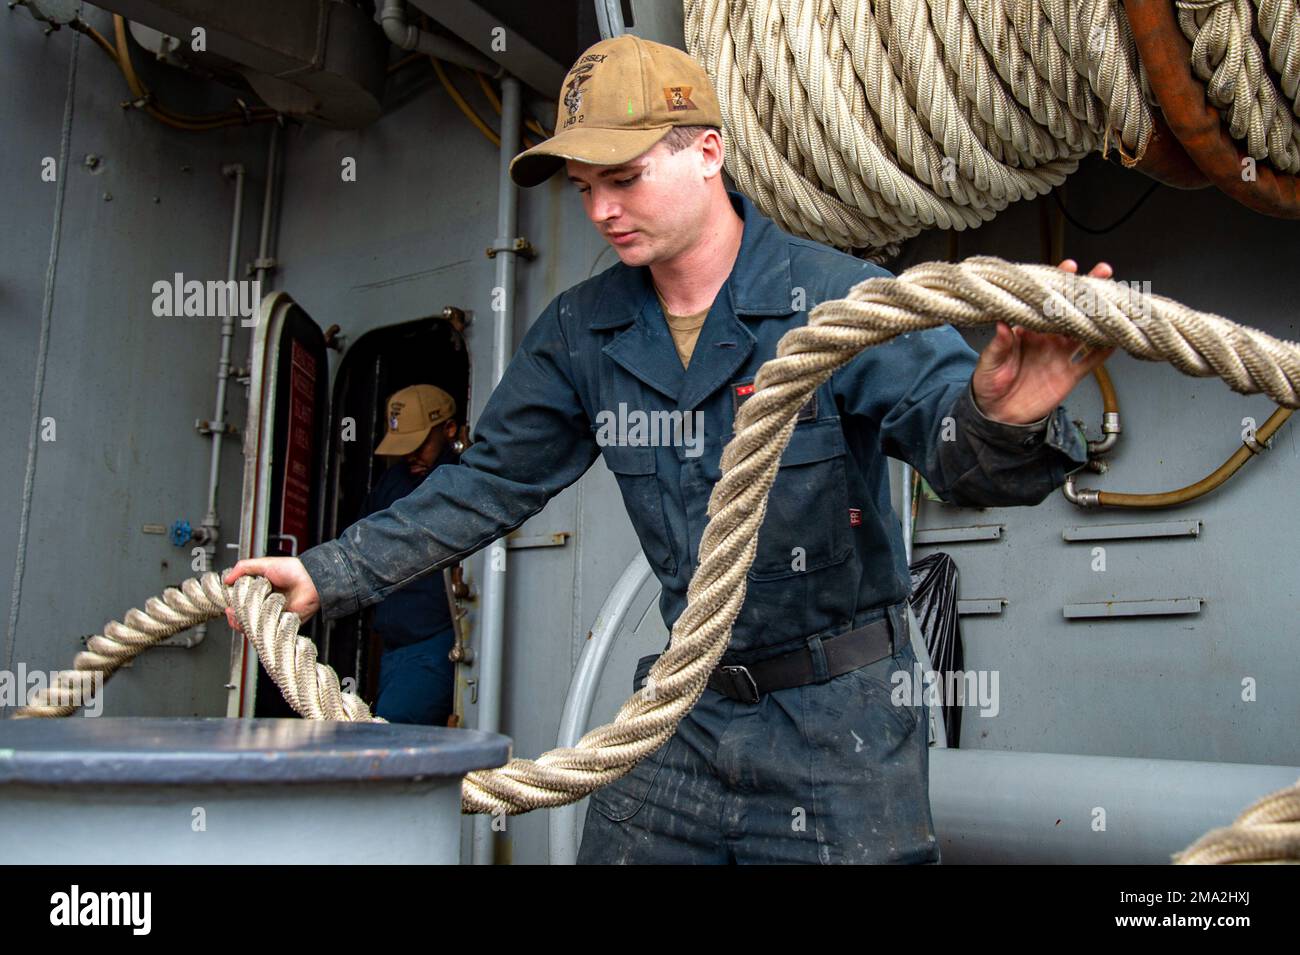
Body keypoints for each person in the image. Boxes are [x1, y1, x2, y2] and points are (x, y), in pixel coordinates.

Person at [225, 34, 1114, 863]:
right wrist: (329, 573)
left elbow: (954, 450)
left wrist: (1000, 415)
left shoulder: (839, 299)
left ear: (707, 152)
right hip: (684, 713)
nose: (603, 210)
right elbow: (489, 482)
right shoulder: (582, 331)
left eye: (625, 177)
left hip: (840, 729)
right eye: (583, 186)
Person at [360, 384, 461, 726]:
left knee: (392, 735)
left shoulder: (466, 481)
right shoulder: (392, 483)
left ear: (448, 429)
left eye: (419, 445)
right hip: (393, 646)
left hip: (435, 642)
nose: (410, 456)